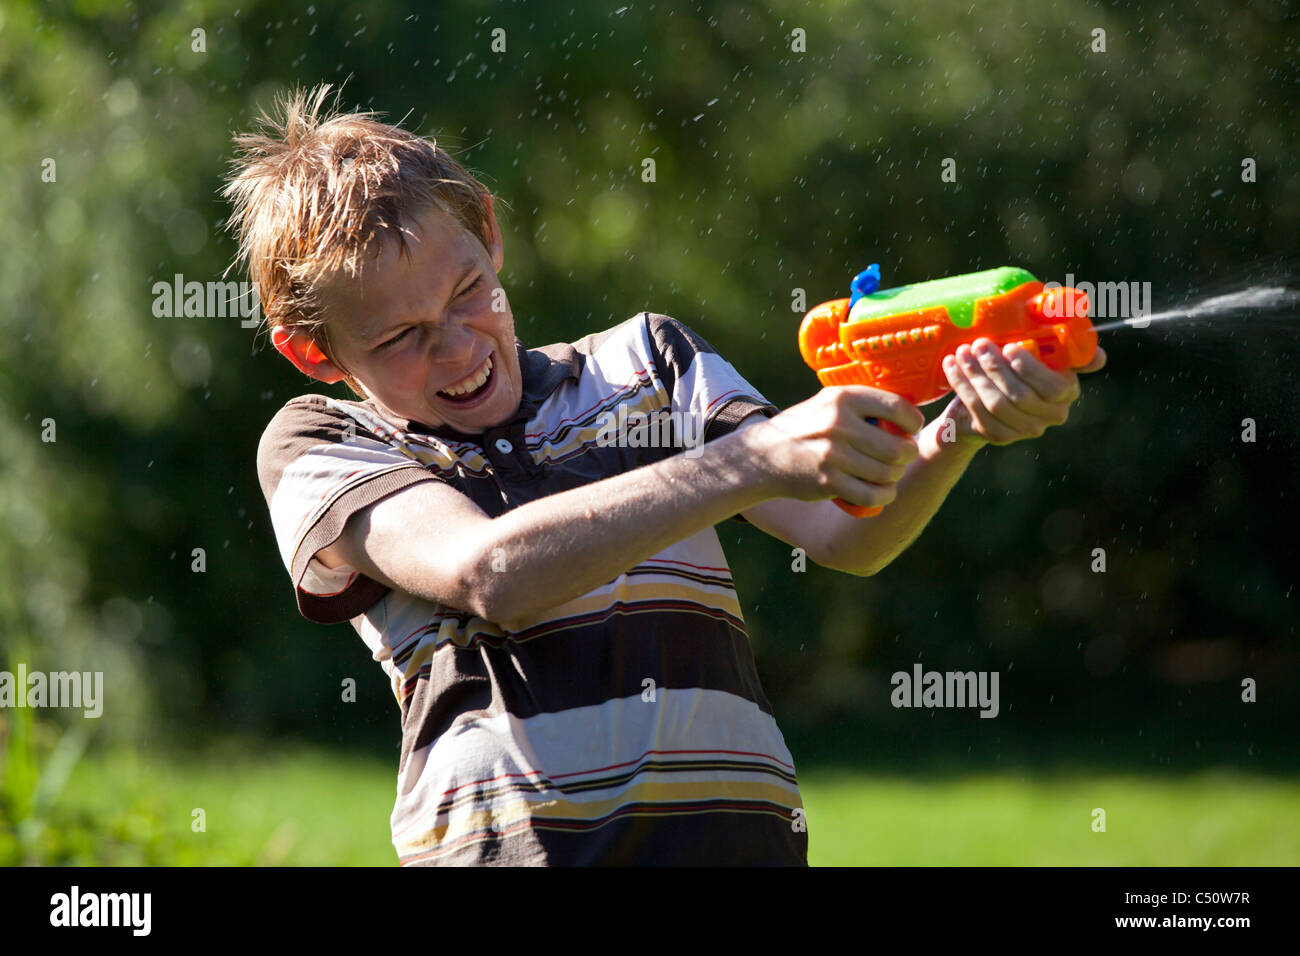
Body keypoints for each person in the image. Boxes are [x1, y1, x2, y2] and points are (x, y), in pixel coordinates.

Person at [225, 84, 1106, 866]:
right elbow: (489, 573)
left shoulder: (648, 361)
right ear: (313, 351)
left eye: (468, 293)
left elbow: (848, 533)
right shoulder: (319, 441)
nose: (457, 346)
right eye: (400, 337)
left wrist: (958, 428)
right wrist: (749, 461)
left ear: (489, 232)